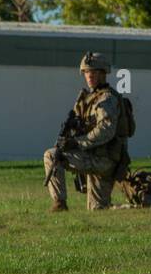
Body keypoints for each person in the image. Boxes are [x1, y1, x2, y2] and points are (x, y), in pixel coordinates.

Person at [43, 53, 129, 211]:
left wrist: (76, 142)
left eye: (94, 72)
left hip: (103, 160)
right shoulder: (88, 99)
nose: (89, 76)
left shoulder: (107, 99)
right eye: (86, 73)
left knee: (51, 155)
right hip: (94, 156)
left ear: (103, 73)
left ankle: (60, 204)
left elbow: (106, 131)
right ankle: (135, 208)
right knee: (98, 209)